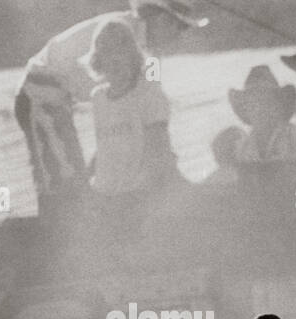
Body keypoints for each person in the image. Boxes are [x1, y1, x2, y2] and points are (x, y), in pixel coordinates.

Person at [13, 0, 206, 213]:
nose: (180, 36)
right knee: (63, 177)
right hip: (41, 91)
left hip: (63, 98)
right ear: (162, 19)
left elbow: (151, 92)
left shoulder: (151, 52)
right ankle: (59, 228)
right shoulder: (117, 32)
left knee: (74, 173)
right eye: (180, 27)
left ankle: (83, 215)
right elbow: (118, 88)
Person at [85, 19, 179, 198]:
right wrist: (84, 180)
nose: (114, 59)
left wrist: (140, 193)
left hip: (136, 195)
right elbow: (106, 146)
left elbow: (159, 149)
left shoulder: (148, 93)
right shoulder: (97, 97)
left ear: (133, 56)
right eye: (106, 52)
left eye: (121, 51)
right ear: (98, 61)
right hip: (104, 194)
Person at [229, 66, 296, 165]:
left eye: (266, 102)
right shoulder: (243, 149)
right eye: (252, 105)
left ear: (280, 105)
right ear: (245, 110)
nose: (259, 110)